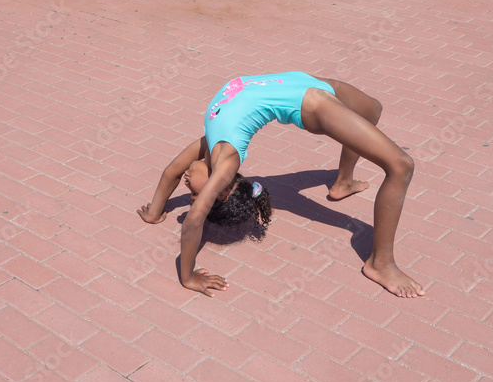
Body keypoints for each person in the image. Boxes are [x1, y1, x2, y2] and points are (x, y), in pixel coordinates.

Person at [137, 72, 424, 299]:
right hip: (312, 103)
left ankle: (344, 182)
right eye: (197, 193)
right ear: (222, 190)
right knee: (401, 166)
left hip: (304, 81)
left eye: (190, 193)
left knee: (372, 109)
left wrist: (155, 213)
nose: (189, 188)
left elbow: (171, 172)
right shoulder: (225, 164)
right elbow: (195, 219)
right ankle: (381, 264)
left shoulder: (210, 146)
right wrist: (188, 277)